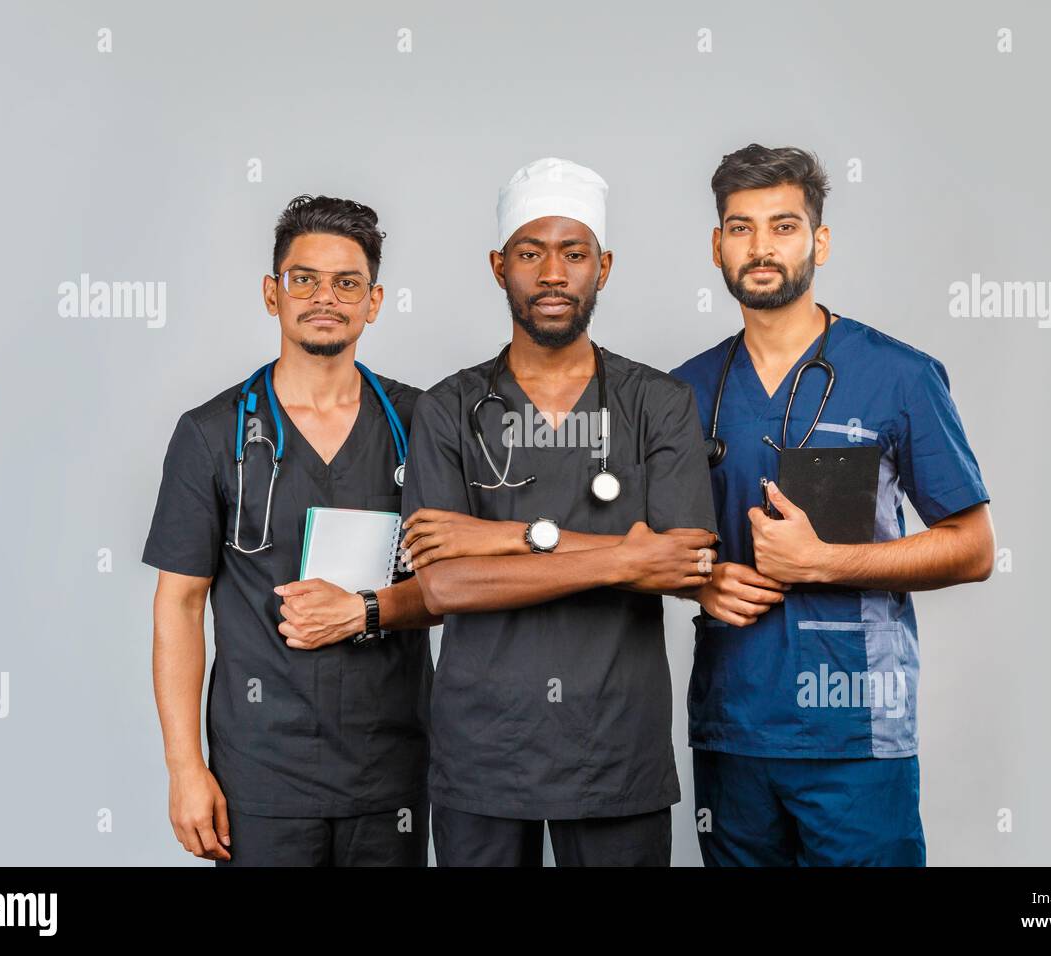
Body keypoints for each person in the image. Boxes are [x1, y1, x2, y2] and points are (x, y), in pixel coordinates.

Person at [670, 145, 996, 866]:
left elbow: (974, 547)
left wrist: (825, 561)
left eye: (783, 227)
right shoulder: (683, 393)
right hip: (731, 731)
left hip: (857, 736)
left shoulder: (900, 377)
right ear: (716, 246)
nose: (760, 248)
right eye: (740, 227)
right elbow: (642, 546)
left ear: (819, 241)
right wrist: (700, 580)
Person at [398, 157, 719, 866]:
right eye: (530, 253)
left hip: (613, 750)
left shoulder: (657, 402)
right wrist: (624, 555)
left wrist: (503, 538)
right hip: (485, 752)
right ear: (498, 265)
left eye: (573, 254)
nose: (552, 274)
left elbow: (684, 562)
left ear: (603, 267)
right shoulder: (449, 408)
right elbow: (444, 587)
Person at [142, 195, 438, 866]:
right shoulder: (210, 434)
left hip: (391, 768)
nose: (324, 297)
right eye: (303, 278)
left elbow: (456, 588)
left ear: (375, 300)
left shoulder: (421, 425)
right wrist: (186, 770)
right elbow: (180, 605)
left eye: (346, 283)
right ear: (273, 294)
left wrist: (365, 613)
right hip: (260, 774)